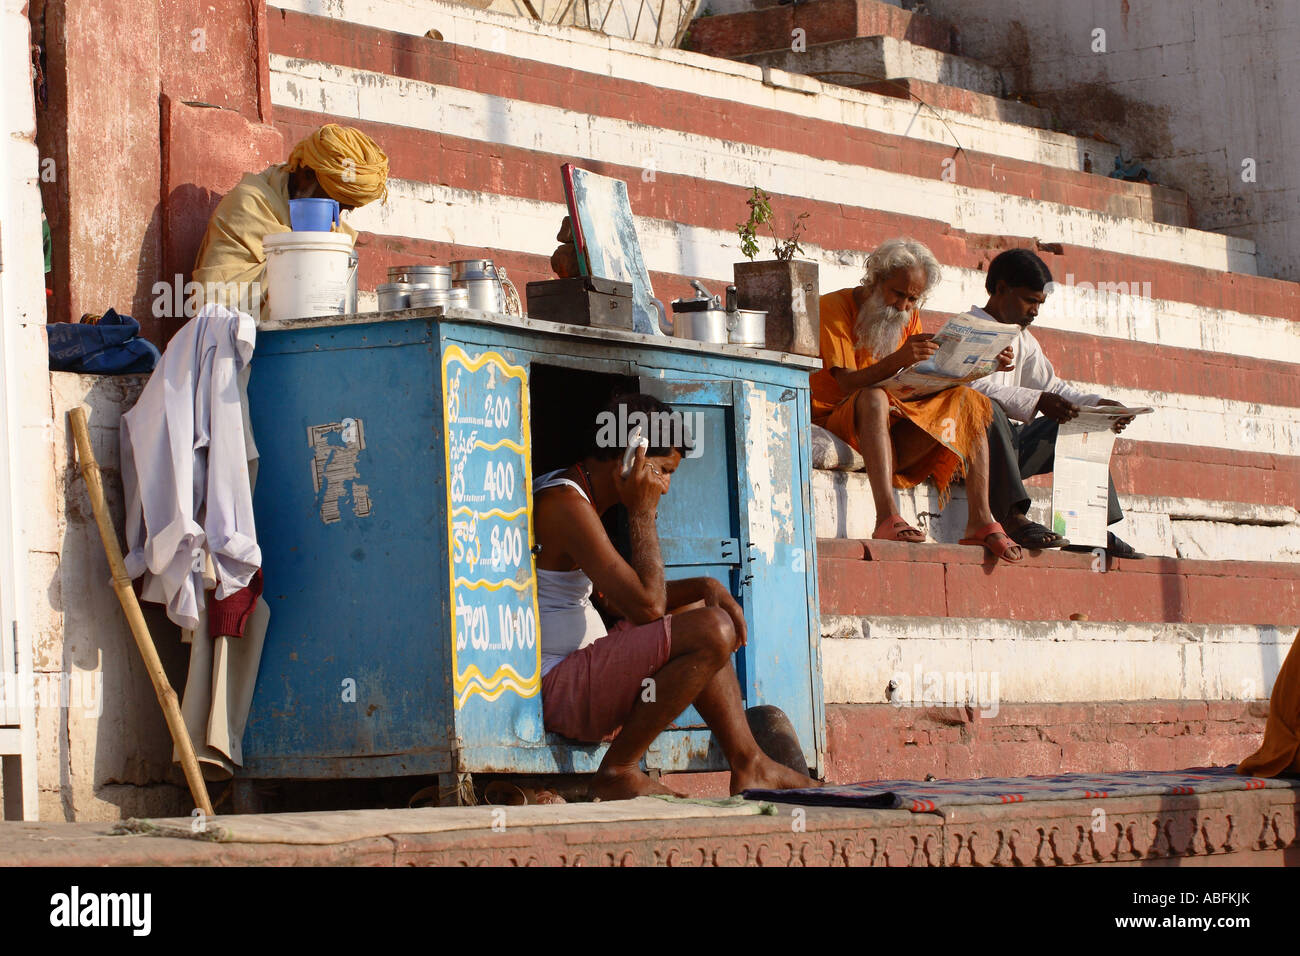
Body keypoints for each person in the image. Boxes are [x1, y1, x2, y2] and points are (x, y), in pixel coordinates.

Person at [533, 392, 819, 800]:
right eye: (663, 471)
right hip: (563, 690)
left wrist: (705, 586)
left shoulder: (582, 497)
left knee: (695, 610)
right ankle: (618, 769)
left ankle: (749, 762)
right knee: (712, 628)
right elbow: (647, 607)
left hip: (588, 679)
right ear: (633, 455)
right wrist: (641, 512)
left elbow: (618, 601)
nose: (664, 488)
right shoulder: (564, 503)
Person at [811, 238, 1023, 563]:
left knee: (971, 400)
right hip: (839, 417)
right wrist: (898, 360)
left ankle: (979, 518)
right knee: (873, 398)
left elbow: (917, 378)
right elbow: (847, 383)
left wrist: (987, 362)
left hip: (895, 421)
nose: (904, 307)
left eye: (913, 299)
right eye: (897, 294)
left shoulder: (908, 315)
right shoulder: (832, 309)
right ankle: (886, 516)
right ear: (874, 280)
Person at [967, 248, 1144, 558]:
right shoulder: (969, 327)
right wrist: (1038, 400)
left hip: (1006, 450)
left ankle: (1085, 527)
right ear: (1001, 289)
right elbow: (969, 387)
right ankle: (1012, 517)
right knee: (985, 406)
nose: (1035, 311)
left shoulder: (1022, 338)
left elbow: (1050, 387)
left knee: (1075, 420)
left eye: (1039, 303)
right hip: (969, 451)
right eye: (1029, 301)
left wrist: (1098, 405)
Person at [192, 124, 390, 322]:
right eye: (332, 203)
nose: (334, 217)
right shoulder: (249, 203)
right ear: (306, 176)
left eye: (345, 209)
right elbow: (214, 305)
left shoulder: (331, 227)